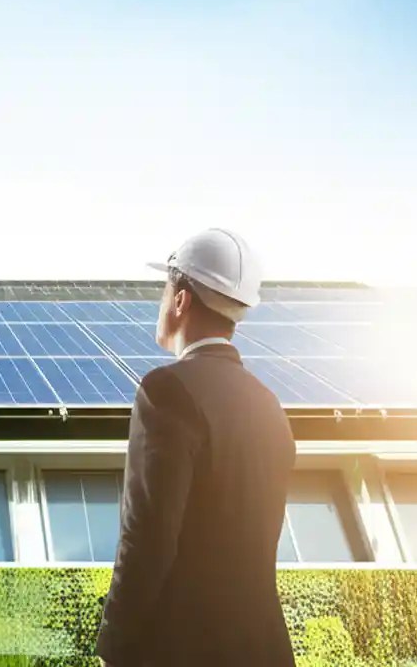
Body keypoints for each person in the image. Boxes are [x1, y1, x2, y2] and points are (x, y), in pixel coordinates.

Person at [96, 228, 297, 667]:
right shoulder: (270, 406)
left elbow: (147, 537)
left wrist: (113, 647)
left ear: (182, 299)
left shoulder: (166, 391)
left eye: (166, 290)